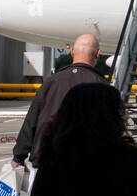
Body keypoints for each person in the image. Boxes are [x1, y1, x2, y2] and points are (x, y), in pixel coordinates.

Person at [12, 33, 105, 170]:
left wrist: (18, 157)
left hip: (47, 161)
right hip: (87, 164)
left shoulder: (51, 81)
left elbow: (32, 120)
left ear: (72, 50)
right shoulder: (103, 86)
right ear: (98, 53)